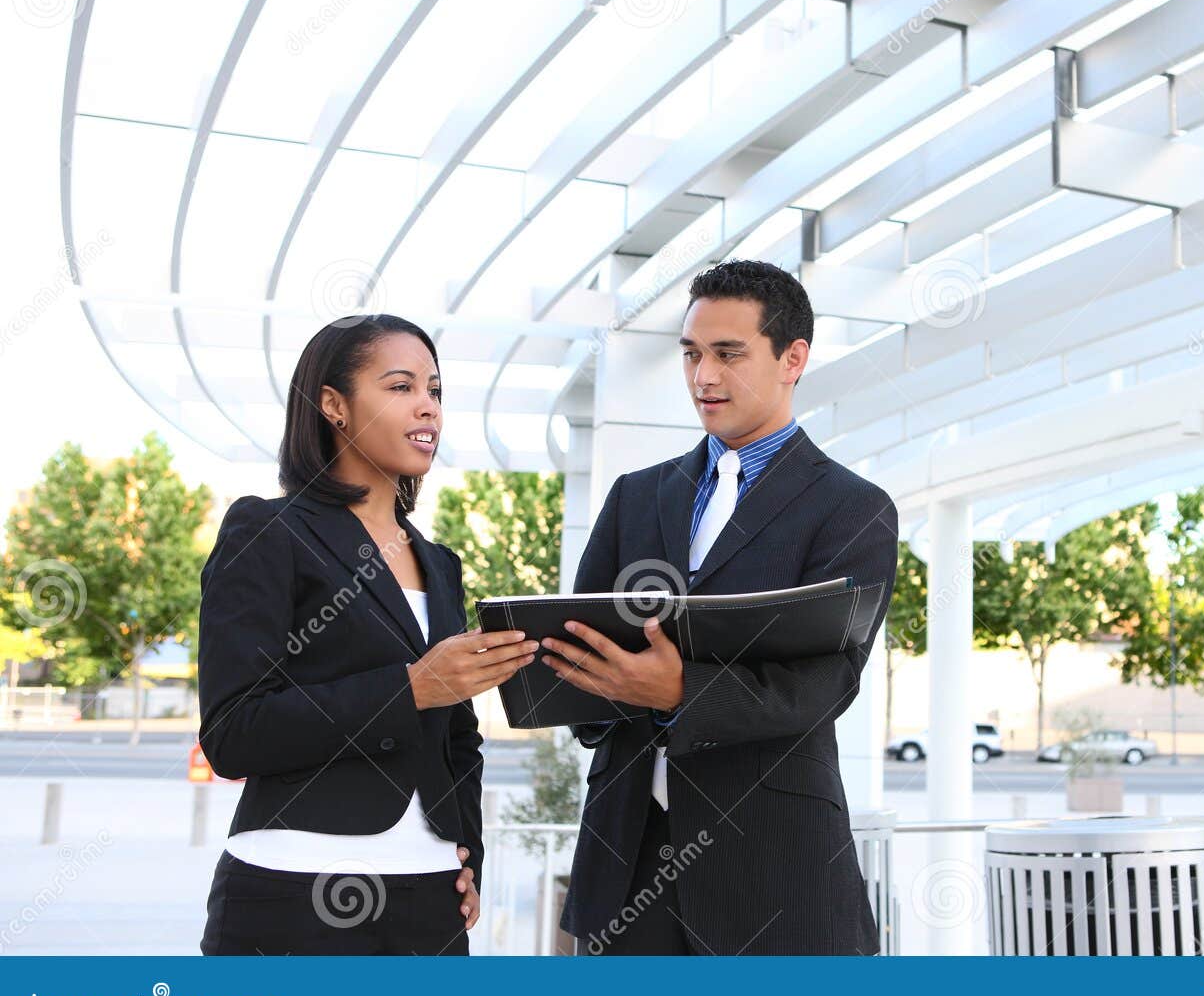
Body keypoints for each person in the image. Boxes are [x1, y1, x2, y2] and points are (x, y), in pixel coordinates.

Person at [545, 260, 899, 955]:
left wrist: (680, 690)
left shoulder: (853, 509)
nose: (703, 376)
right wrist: (562, 671)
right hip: (626, 862)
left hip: (774, 869)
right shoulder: (636, 497)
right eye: (691, 353)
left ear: (792, 358)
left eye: (728, 354)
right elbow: (580, 644)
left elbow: (827, 683)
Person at [195, 314, 538, 955]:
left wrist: (470, 858)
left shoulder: (440, 563)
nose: (427, 407)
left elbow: (458, 740)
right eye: (401, 386)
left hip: (432, 901)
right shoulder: (269, 531)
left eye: (436, 390)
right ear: (333, 406)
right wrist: (409, 688)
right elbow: (232, 734)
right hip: (294, 889)